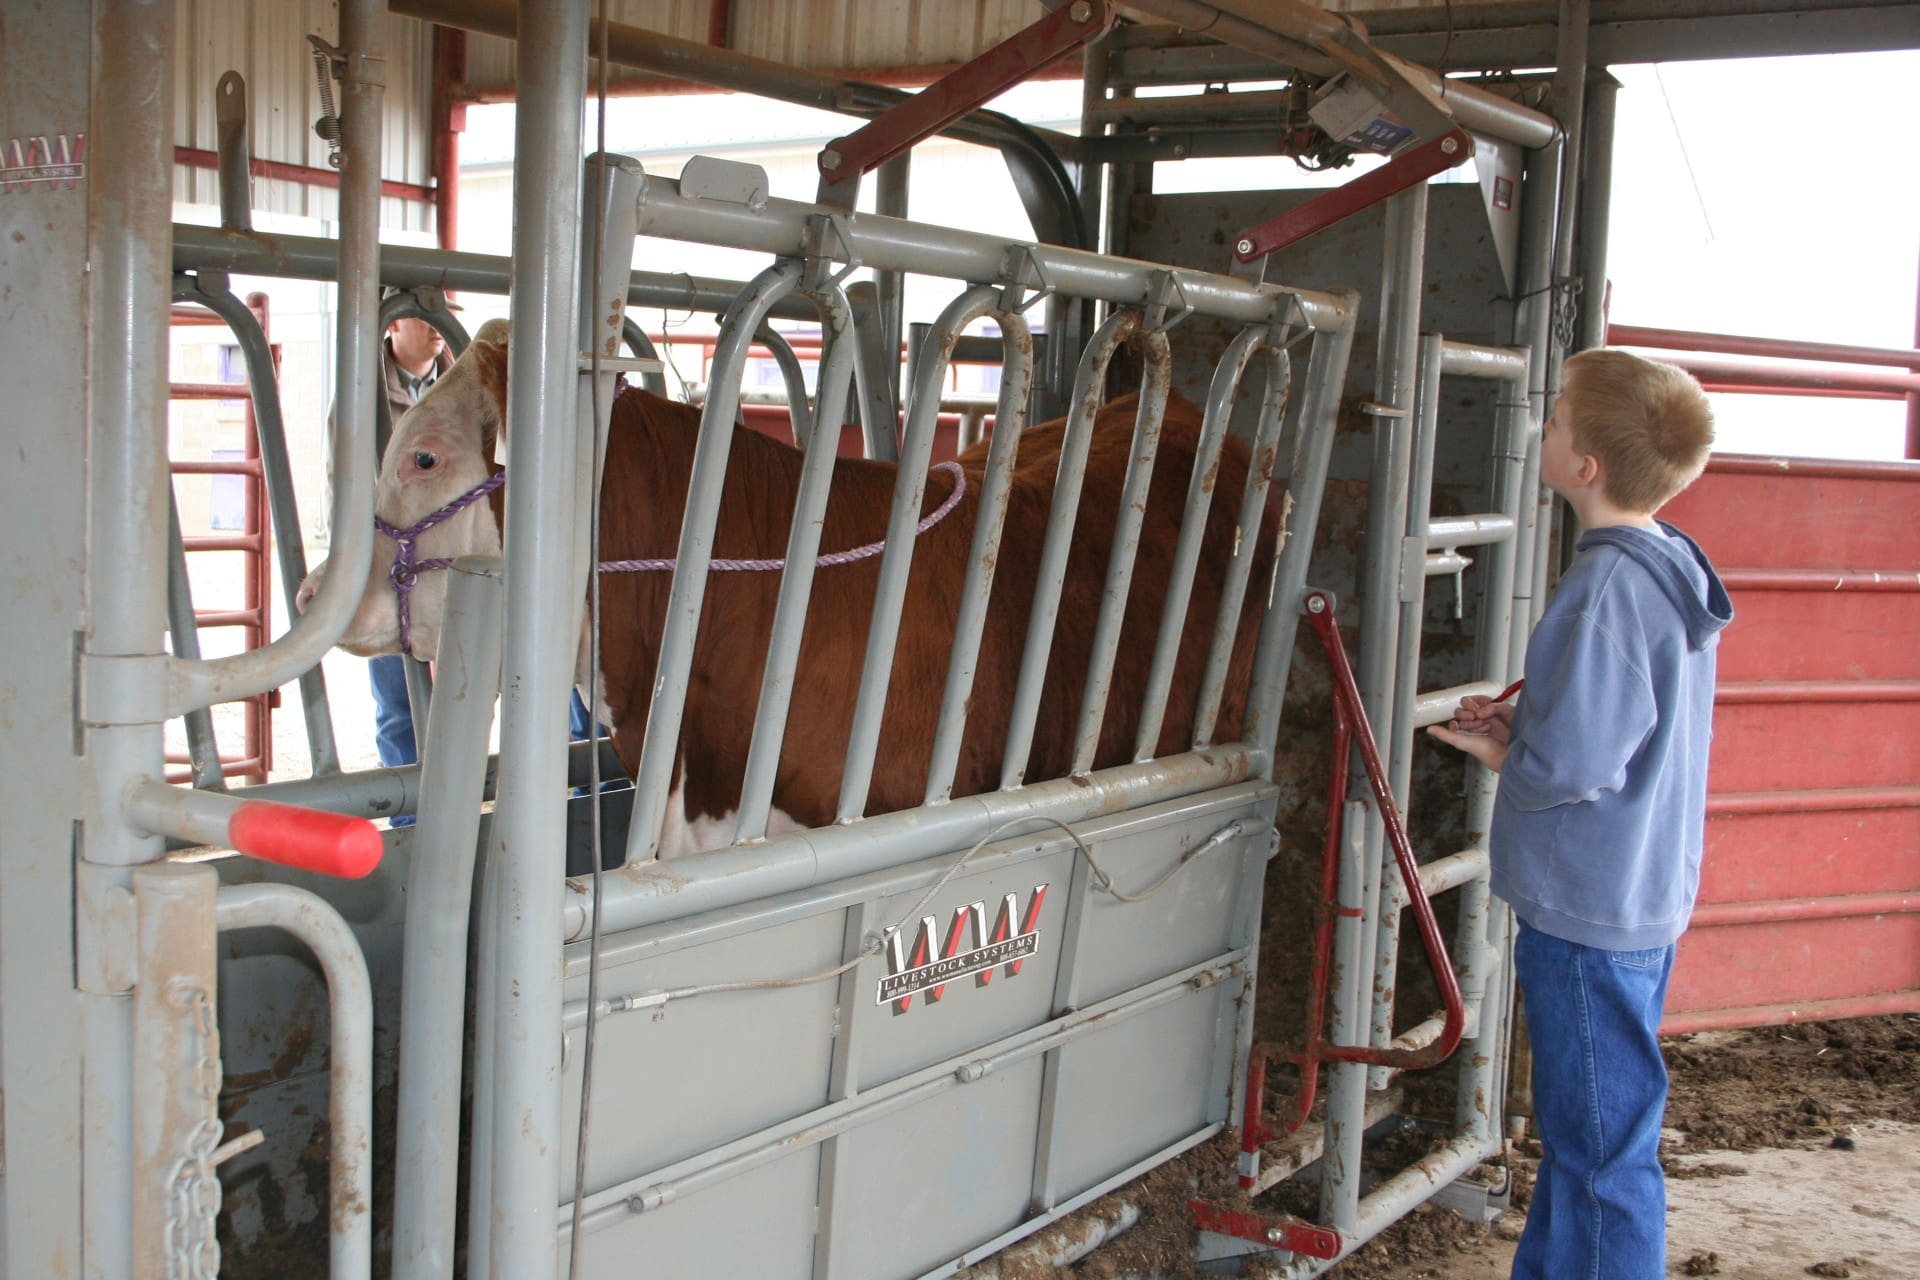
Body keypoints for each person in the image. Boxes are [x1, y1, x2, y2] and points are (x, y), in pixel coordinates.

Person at [1426, 348, 1732, 1280]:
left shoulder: (1604, 588)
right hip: (1635, 886)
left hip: (1587, 907)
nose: (1543, 429)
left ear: (1585, 467)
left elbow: (1579, 761)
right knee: (1584, 1132)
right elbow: (1625, 718)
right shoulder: (1668, 562)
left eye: (1554, 420)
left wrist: (1512, 751)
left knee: (1603, 1151)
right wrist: (1527, 719)